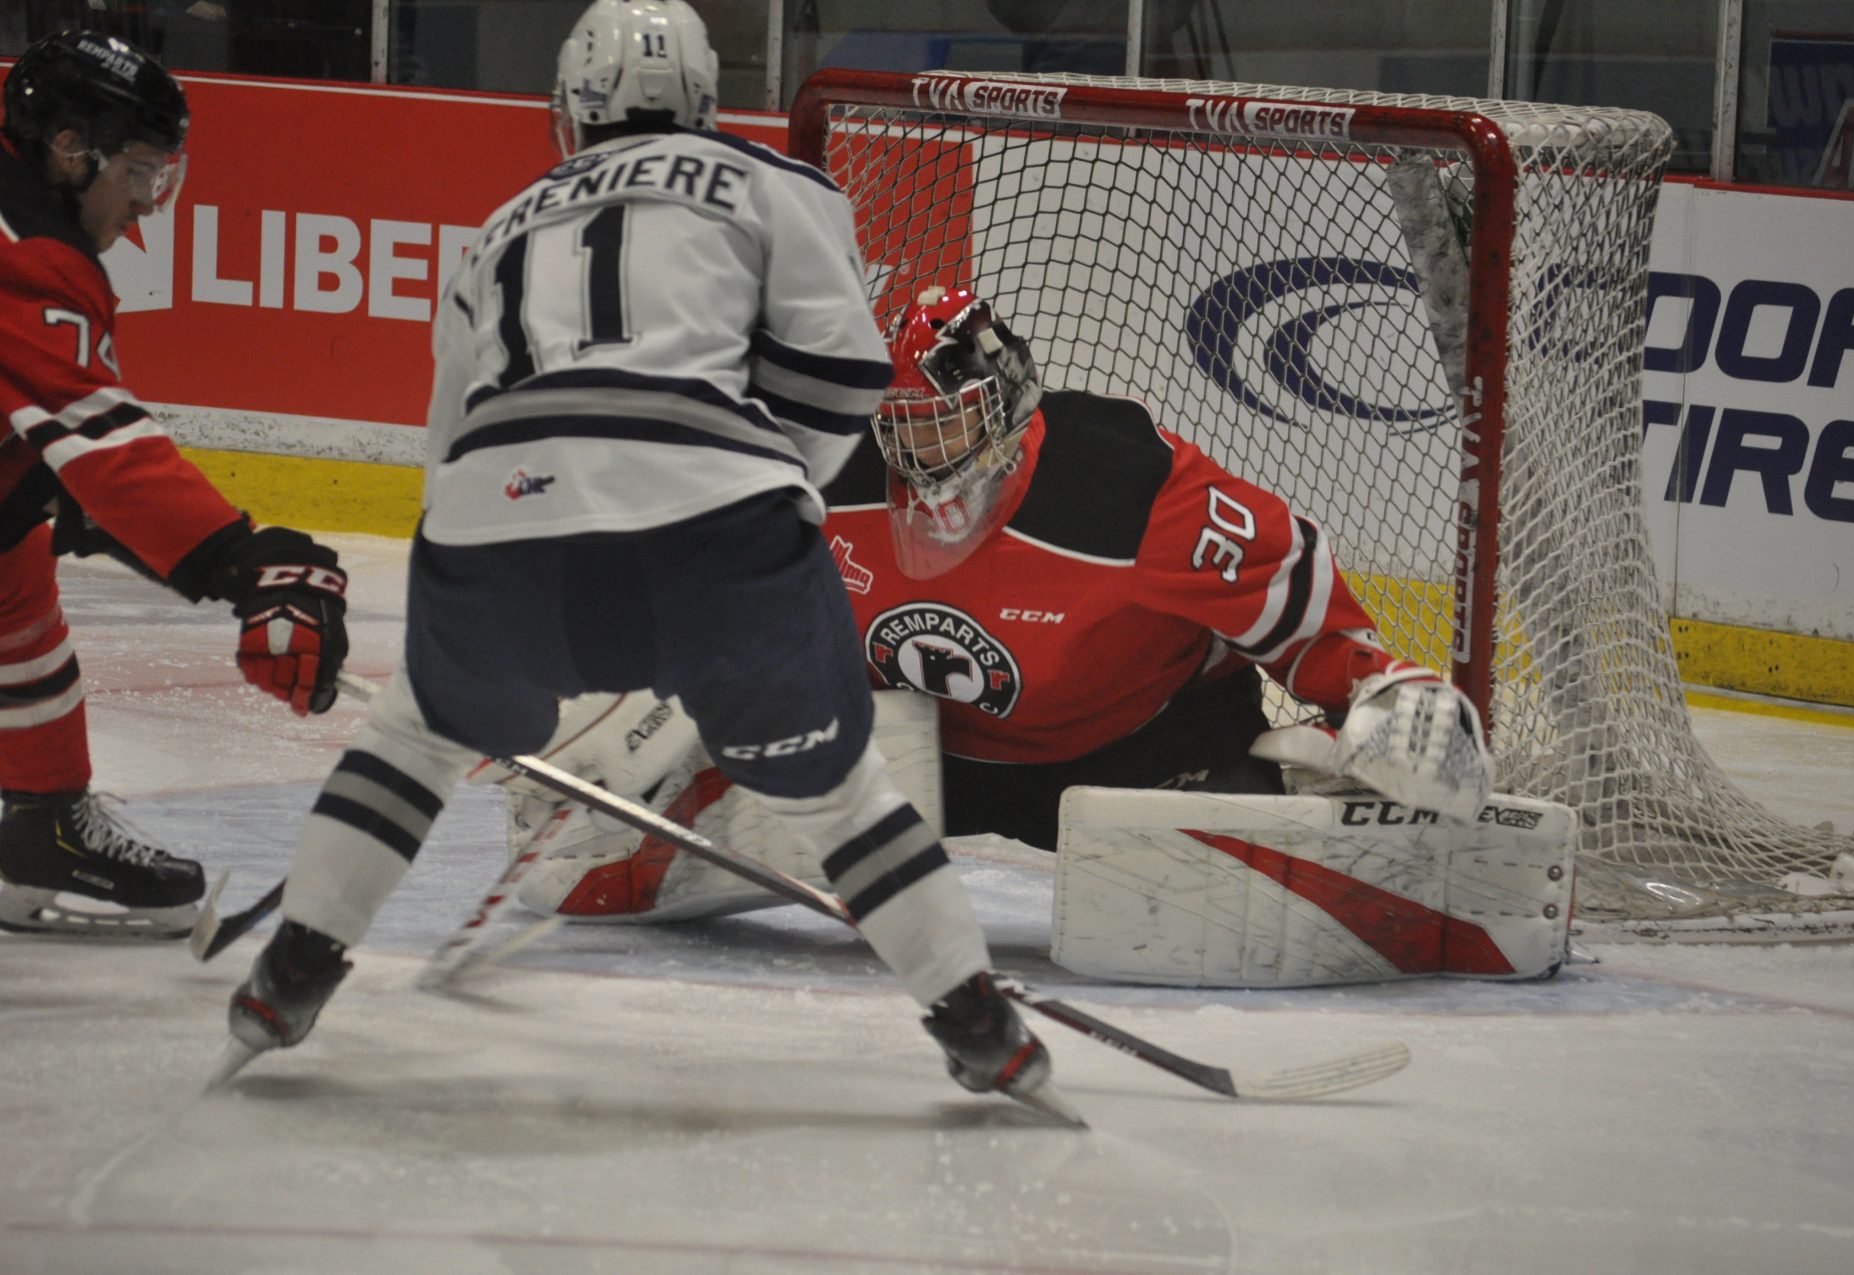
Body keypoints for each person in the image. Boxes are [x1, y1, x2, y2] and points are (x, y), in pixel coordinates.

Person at [220, 0, 1059, 1111]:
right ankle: (979, 1025)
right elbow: (844, 375)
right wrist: (758, 494)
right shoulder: (776, 184)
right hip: (721, 528)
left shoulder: (495, 229)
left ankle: (290, 973)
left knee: (415, 734)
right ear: (707, 103)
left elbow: (451, 449)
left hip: (495, 526)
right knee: (837, 789)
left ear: (567, 113)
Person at [520, 282, 1494, 923]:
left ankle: (1300, 804)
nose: (921, 452)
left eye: (944, 422)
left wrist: (1379, 690)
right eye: (897, 426)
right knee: (583, 882)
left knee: (1225, 910)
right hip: (906, 750)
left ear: (1003, 395)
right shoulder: (817, 471)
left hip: (1135, 753)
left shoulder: (1121, 484)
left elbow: (1301, 606)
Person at [0, 30, 349, 939]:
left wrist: (48, 482)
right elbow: (101, 440)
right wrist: (248, 563)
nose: (147, 206)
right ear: (72, 148)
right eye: (142, 171)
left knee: (11, 568)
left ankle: (44, 828)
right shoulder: (29, 254)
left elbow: (55, 429)